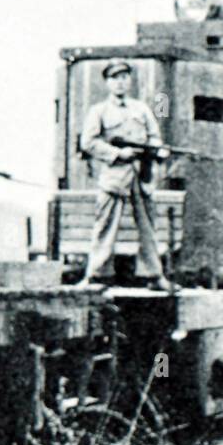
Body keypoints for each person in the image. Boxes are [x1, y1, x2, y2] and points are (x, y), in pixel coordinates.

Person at [77, 61, 173, 291]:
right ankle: (95, 276)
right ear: (107, 82)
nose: (120, 82)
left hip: (142, 174)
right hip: (115, 175)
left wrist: (158, 150)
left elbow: (153, 137)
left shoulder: (142, 109)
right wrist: (118, 153)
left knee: (148, 227)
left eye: (124, 77)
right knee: (105, 225)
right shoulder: (99, 111)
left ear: (130, 81)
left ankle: (154, 275)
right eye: (115, 78)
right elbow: (88, 143)